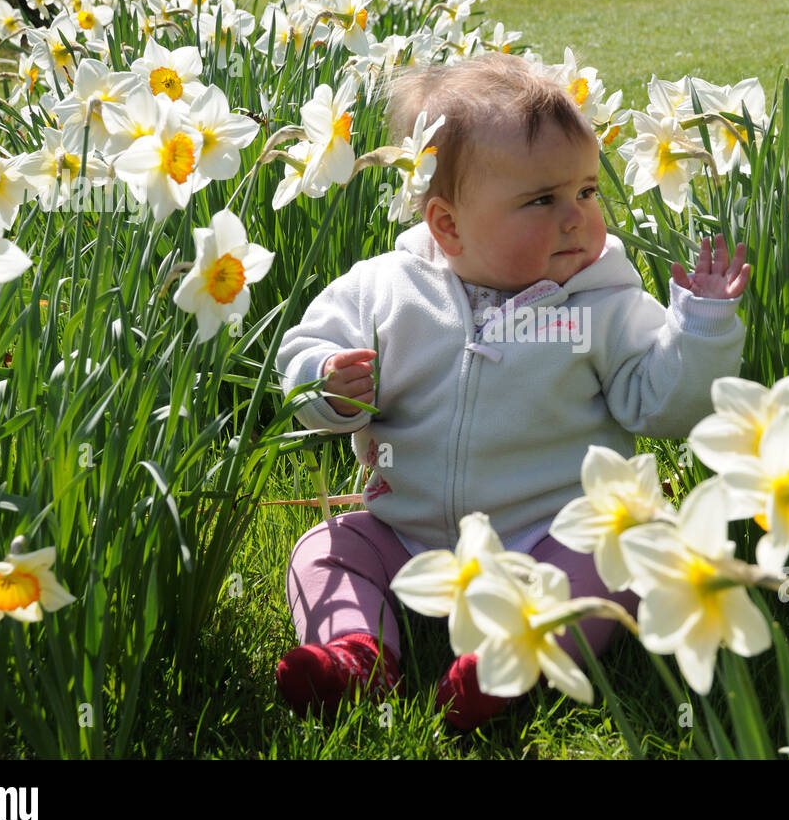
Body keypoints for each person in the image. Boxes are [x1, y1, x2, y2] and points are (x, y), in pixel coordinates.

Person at [273, 51, 750, 730]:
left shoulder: (599, 303)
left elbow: (664, 403)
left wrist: (700, 332)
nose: (576, 218)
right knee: (322, 548)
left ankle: (515, 654)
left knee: (623, 549)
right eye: (541, 200)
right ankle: (356, 653)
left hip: (547, 539)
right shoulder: (385, 288)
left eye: (586, 191)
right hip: (404, 532)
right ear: (447, 226)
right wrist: (326, 384)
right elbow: (302, 351)